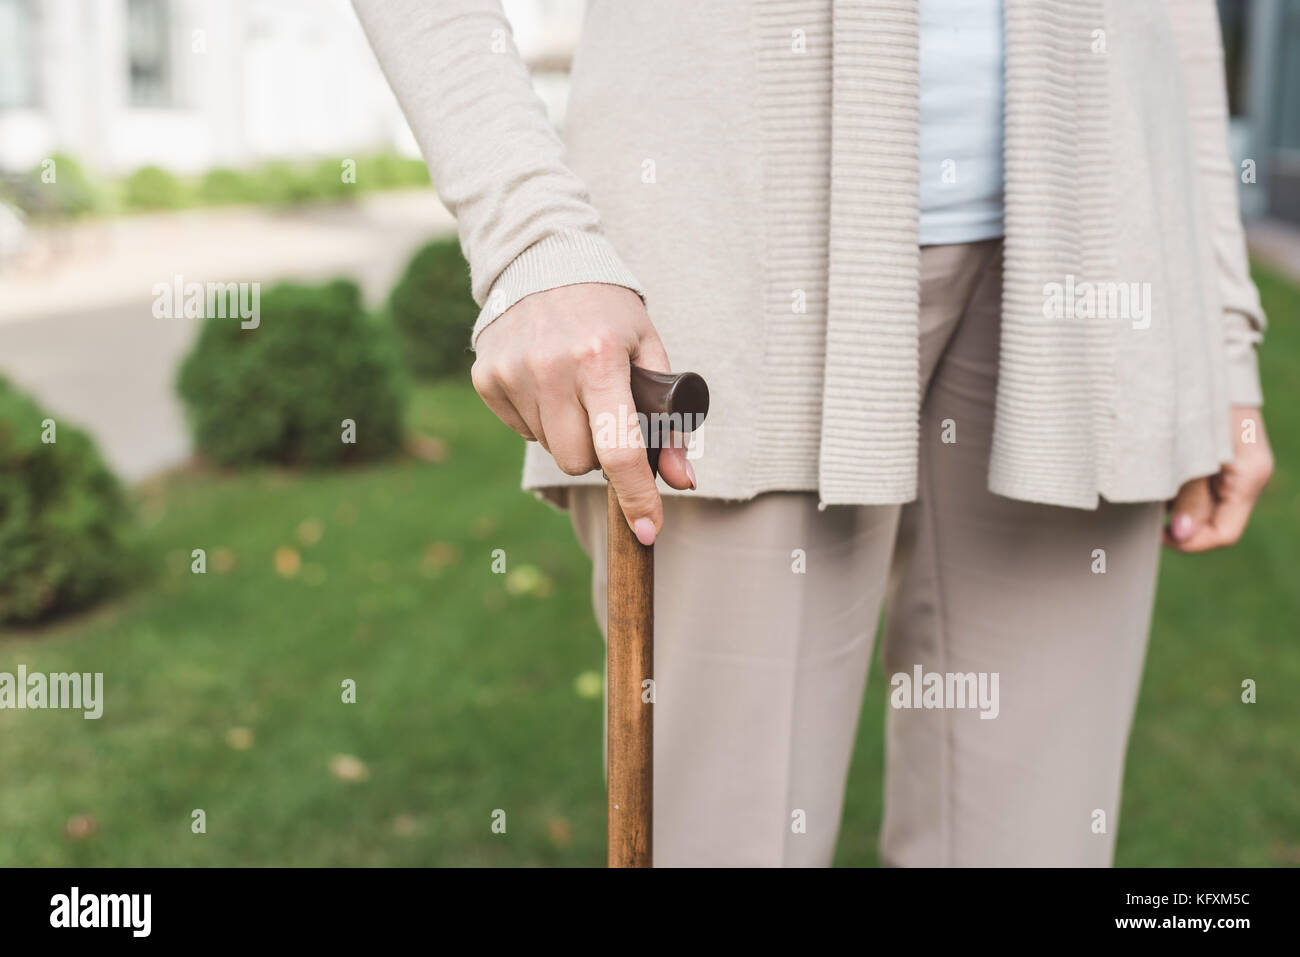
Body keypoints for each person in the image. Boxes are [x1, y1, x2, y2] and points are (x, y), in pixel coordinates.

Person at [354, 0, 1274, 866]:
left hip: (1100, 261)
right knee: (727, 834)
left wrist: (1224, 337)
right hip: (732, 245)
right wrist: (529, 237)